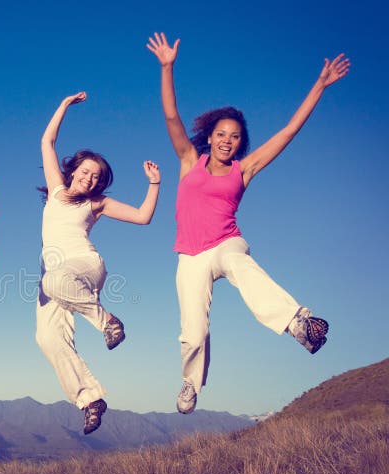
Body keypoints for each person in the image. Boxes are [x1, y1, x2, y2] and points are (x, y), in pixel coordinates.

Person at [147, 32, 350, 414]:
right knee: (193, 334)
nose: (227, 141)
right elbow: (172, 116)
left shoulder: (244, 169)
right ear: (210, 137)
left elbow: (288, 131)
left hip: (226, 242)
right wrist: (167, 67)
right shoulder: (189, 160)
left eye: (235, 137)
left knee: (240, 264)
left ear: (241, 143)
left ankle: (298, 323)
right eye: (221, 135)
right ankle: (191, 382)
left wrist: (320, 86)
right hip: (190, 255)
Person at [35, 92, 161, 435]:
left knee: (54, 281)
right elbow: (47, 141)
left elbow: (143, 217)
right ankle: (90, 400)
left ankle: (108, 322)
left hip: (85, 266)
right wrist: (63, 105)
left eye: (96, 177)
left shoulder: (97, 204)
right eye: (85, 171)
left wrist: (154, 184)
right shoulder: (56, 191)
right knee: (47, 338)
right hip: (53, 278)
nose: (89, 178)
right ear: (74, 170)